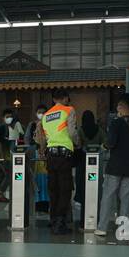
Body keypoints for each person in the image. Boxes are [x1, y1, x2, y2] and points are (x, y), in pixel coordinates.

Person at [96, 93, 129, 240]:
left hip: (116, 166)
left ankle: (102, 228)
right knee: (126, 198)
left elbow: (111, 143)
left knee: (108, 196)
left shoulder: (116, 123)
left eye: (118, 105)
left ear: (122, 106)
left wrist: (103, 146)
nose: (117, 108)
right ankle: (123, 230)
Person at [38, 89, 76, 235]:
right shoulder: (68, 110)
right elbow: (72, 132)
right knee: (65, 189)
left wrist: (42, 151)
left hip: (50, 156)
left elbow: (42, 138)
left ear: (53, 99)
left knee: (53, 189)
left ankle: (53, 219)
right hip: (64, 156)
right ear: (66, 98)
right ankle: (60, 223)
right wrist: (77, 143)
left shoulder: (46, 115)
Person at [0, 110, 15, 203]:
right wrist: (1, 156)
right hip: (3, 155)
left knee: (1, 175)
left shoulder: (11, 127)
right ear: (3, 118)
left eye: (11, 116)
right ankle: (0, 193)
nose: (9, 118)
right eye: (7, 116)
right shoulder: (1, 128)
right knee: (9, 175)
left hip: (6, 155)